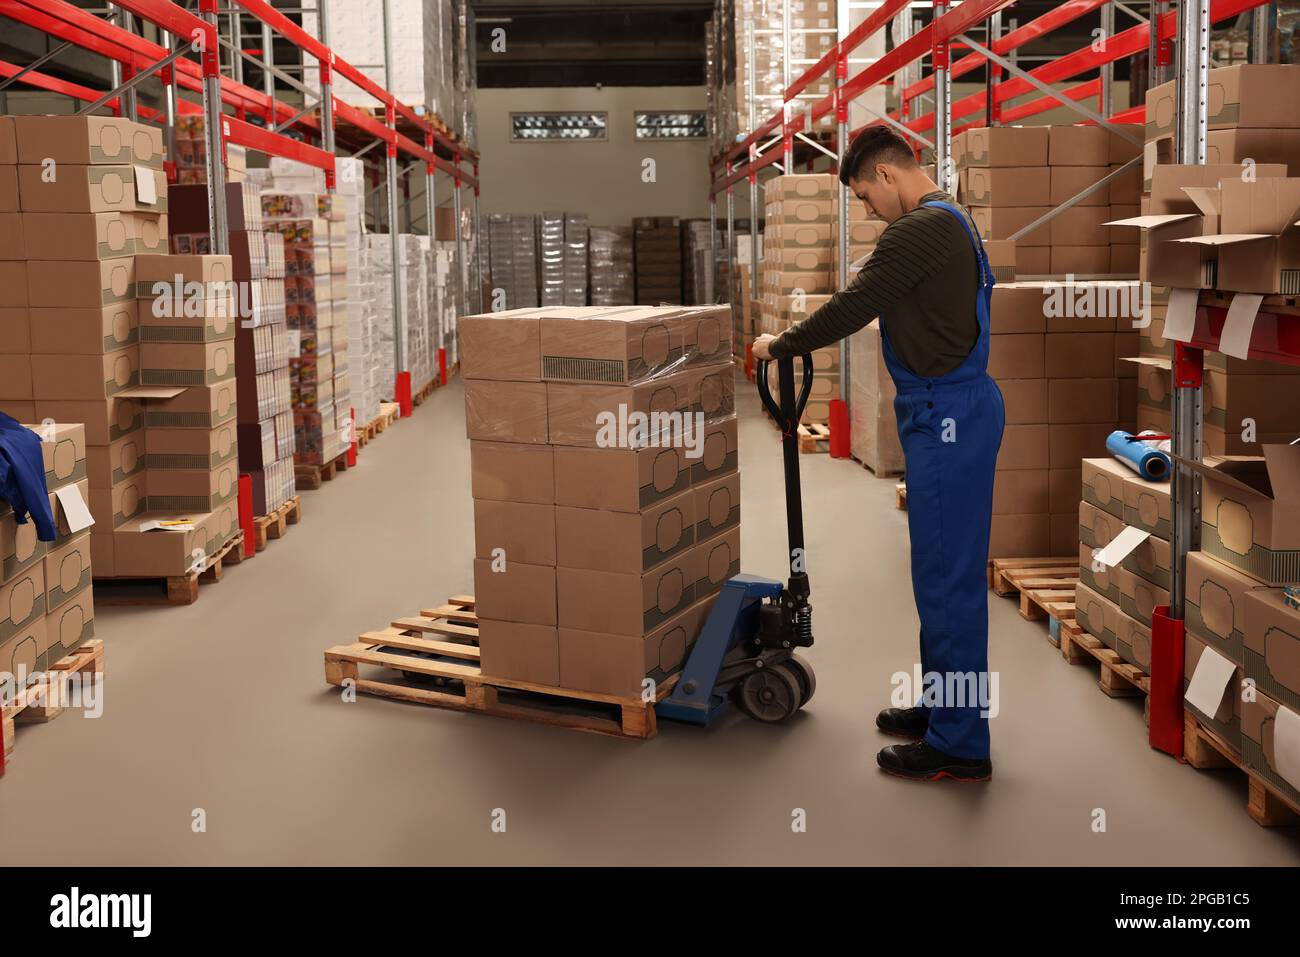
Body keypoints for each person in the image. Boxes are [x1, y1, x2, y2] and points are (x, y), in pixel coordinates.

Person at [753, 126, 1005, 783]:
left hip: (946, 414)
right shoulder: (950, 216)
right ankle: (944, 706)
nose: (868, 210)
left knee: (947, 580)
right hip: (948, 408)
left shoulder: (919, 230)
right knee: (937, 574)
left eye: (866, 196)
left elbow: (856, 303)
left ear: (889, 175)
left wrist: (781, 344)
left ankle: (960, 742)